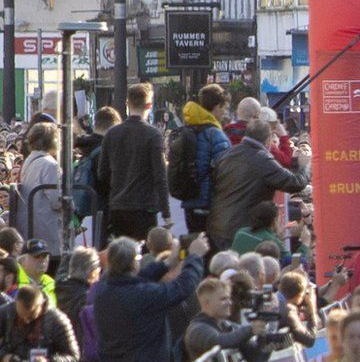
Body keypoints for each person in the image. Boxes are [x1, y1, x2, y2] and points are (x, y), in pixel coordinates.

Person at [95, 234, 208, 362]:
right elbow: (183, 287)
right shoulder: (143, 295)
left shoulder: (103, 290)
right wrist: (195, 257)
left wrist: (167, 263)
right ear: (134, 263)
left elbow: (136, 278)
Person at [204, 115, 306, 249]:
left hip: (216, 227)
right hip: (240, 231)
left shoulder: (228, 153)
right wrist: (306, 166)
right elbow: (295, 183)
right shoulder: (262, 159)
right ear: (268, 140)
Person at [96, 83, 170, 244]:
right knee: (144, 254)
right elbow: (160, 176)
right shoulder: (153, 135)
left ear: (127, 103)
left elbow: (102, 173)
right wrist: (166, 212)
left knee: (120, 253)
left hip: (118, 206)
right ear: (149, 105)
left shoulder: (111, 133)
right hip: (144, 207)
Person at [177, 87, 234, 234]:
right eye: (224, 108)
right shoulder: (216, 134)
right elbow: (225, 170)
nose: (224, 113)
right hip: (209, 202)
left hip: (189, 199)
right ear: (217, 107)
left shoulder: (188, 129)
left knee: (195, 244)